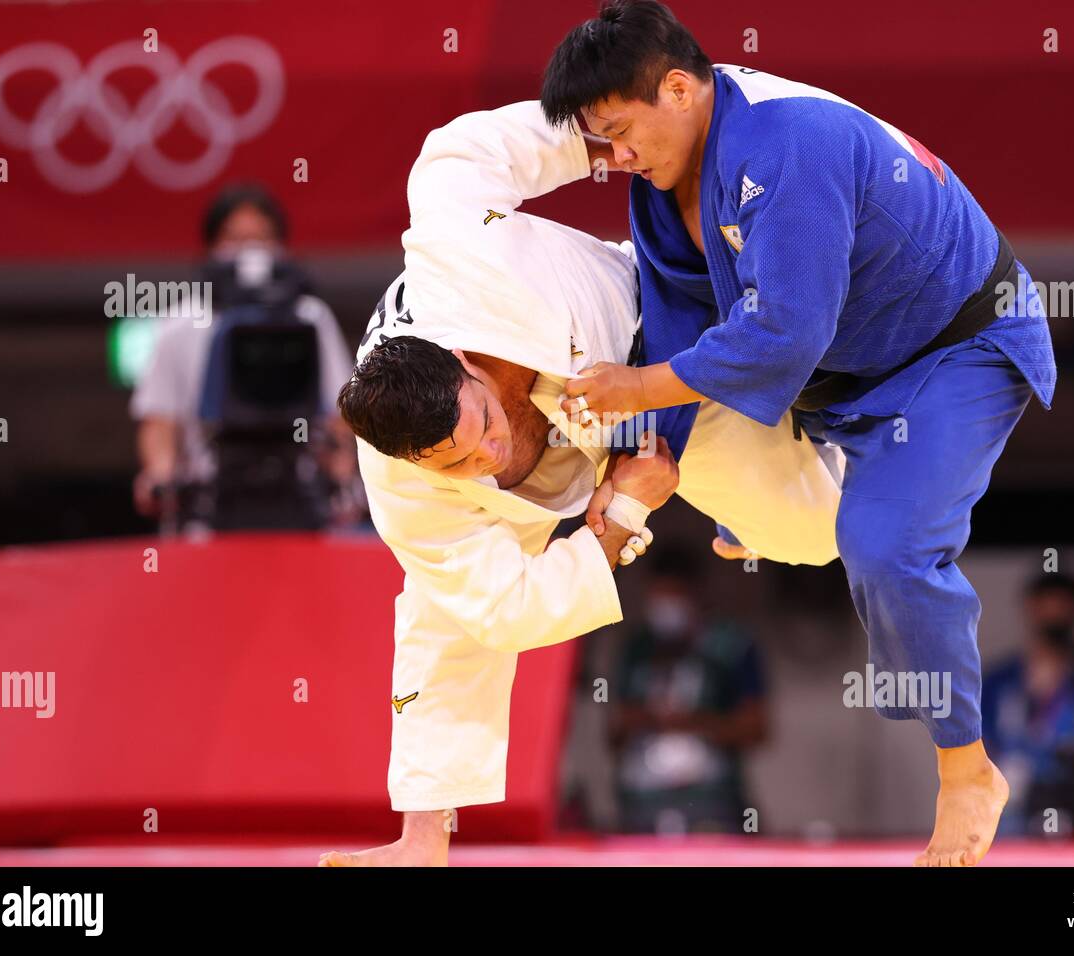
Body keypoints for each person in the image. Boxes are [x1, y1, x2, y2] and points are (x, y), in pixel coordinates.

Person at [541, 0, 1056, 865]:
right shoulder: (661, 188)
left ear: (678, 88)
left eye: (623, 132)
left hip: (956, 345)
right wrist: (645, 462)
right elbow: (675, 326)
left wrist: (634, 388)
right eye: (601, 143)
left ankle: (967, 769)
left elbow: (781, 334)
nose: (615, 158)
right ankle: (772, 514)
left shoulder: (788, 144)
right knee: (702, 436)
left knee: (885, 550)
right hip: (834, 379)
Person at [317, 101, 843, 866]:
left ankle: (882, 401)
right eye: (456, 465)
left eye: (482, 430)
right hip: (622, 452)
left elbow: (464, 146)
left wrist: (618, 134)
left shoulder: (457, 243)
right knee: (813, 537)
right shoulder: (405, 489)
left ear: (464, 362)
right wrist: (624, 510)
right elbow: (482, 625)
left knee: (816, 506)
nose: (486, 460)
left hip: (646, 336)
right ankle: (422, 841)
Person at [130, 183, 356, 529]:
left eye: (261, 238)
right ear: (212, 247)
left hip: (299, 498)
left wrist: (342, 478)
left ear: (280, 246)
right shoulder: (180, 323)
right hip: (208, 503)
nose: (249, 251)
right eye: (234, 239)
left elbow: (339, 412)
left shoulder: (311, 318)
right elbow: (159, 418)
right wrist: (161, 474)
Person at [611, 543, 769, 833]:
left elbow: (756, 728)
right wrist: (651, 718)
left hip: (713, 802)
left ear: (696, 594)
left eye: (675, 596)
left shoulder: (731, 646)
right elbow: (615, 730)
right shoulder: (637, 647)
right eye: (660, 596)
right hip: (643, 802)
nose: (667, 606)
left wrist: (692, 723)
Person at [982, 573, 1074, 835]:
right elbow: (979, 749)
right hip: (1012, 819)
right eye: (1047, 601)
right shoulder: (998, 681)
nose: (1055, 610)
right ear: (1030, 607)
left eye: (1065, 602)